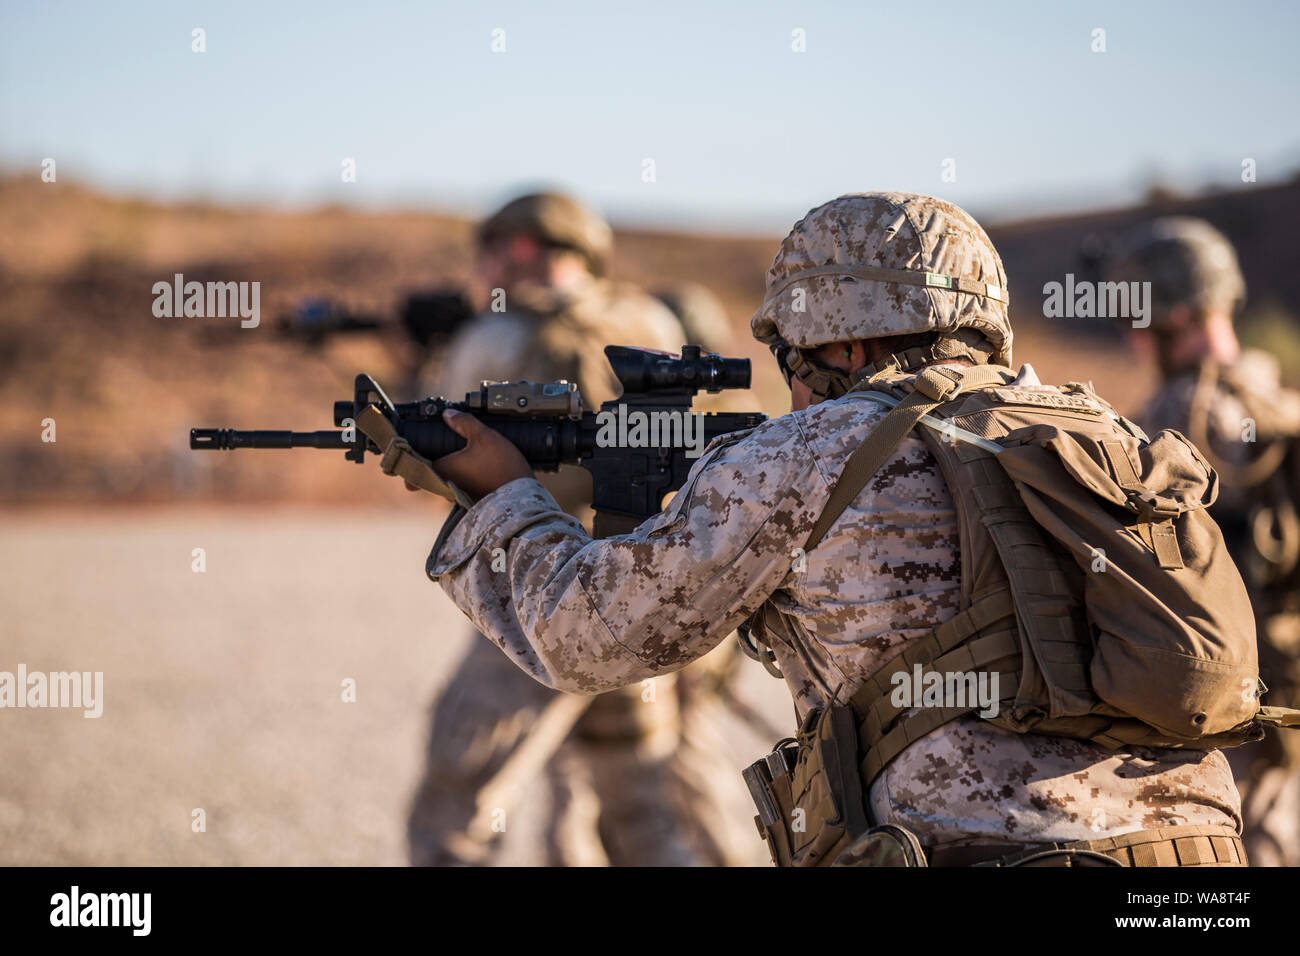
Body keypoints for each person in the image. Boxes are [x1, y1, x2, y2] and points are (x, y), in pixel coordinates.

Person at [416, 192, 1271, 867]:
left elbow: (583, 639)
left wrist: (500, 498)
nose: (789, 383)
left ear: (843, 345)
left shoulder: (806, 452)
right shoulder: (1108, 432)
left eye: (791, 354)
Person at [407, 191, 762, 867]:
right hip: (655, 584)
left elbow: (446, 452)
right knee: (647, 799)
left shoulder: (496, 336)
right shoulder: (650, 317)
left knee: (457, 801)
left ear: (508, 251)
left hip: (544, 586)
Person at [1108, 217, 1300, 866]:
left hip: (1233, 706)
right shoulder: (1279, 398)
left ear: (1177, 317)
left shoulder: (1177, 418)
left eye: (1137, 321)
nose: (1132, 342)